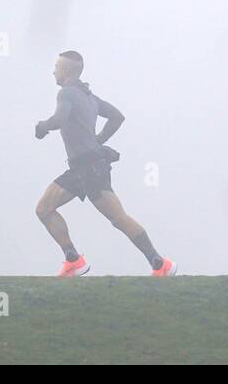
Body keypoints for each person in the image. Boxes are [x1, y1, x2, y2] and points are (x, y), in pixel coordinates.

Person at [34, 50, 177, 277]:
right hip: (84, 167)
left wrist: (42, 126)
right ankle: (73, 259)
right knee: (46, 209)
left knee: (117, 218)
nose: (53, 71)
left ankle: (159, 264)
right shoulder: (90, 97)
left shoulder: (68, 94)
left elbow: (59, 119)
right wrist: (98, 140)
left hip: (88, 169)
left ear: (67, 71)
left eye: (57, 67)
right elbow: (117, 117)